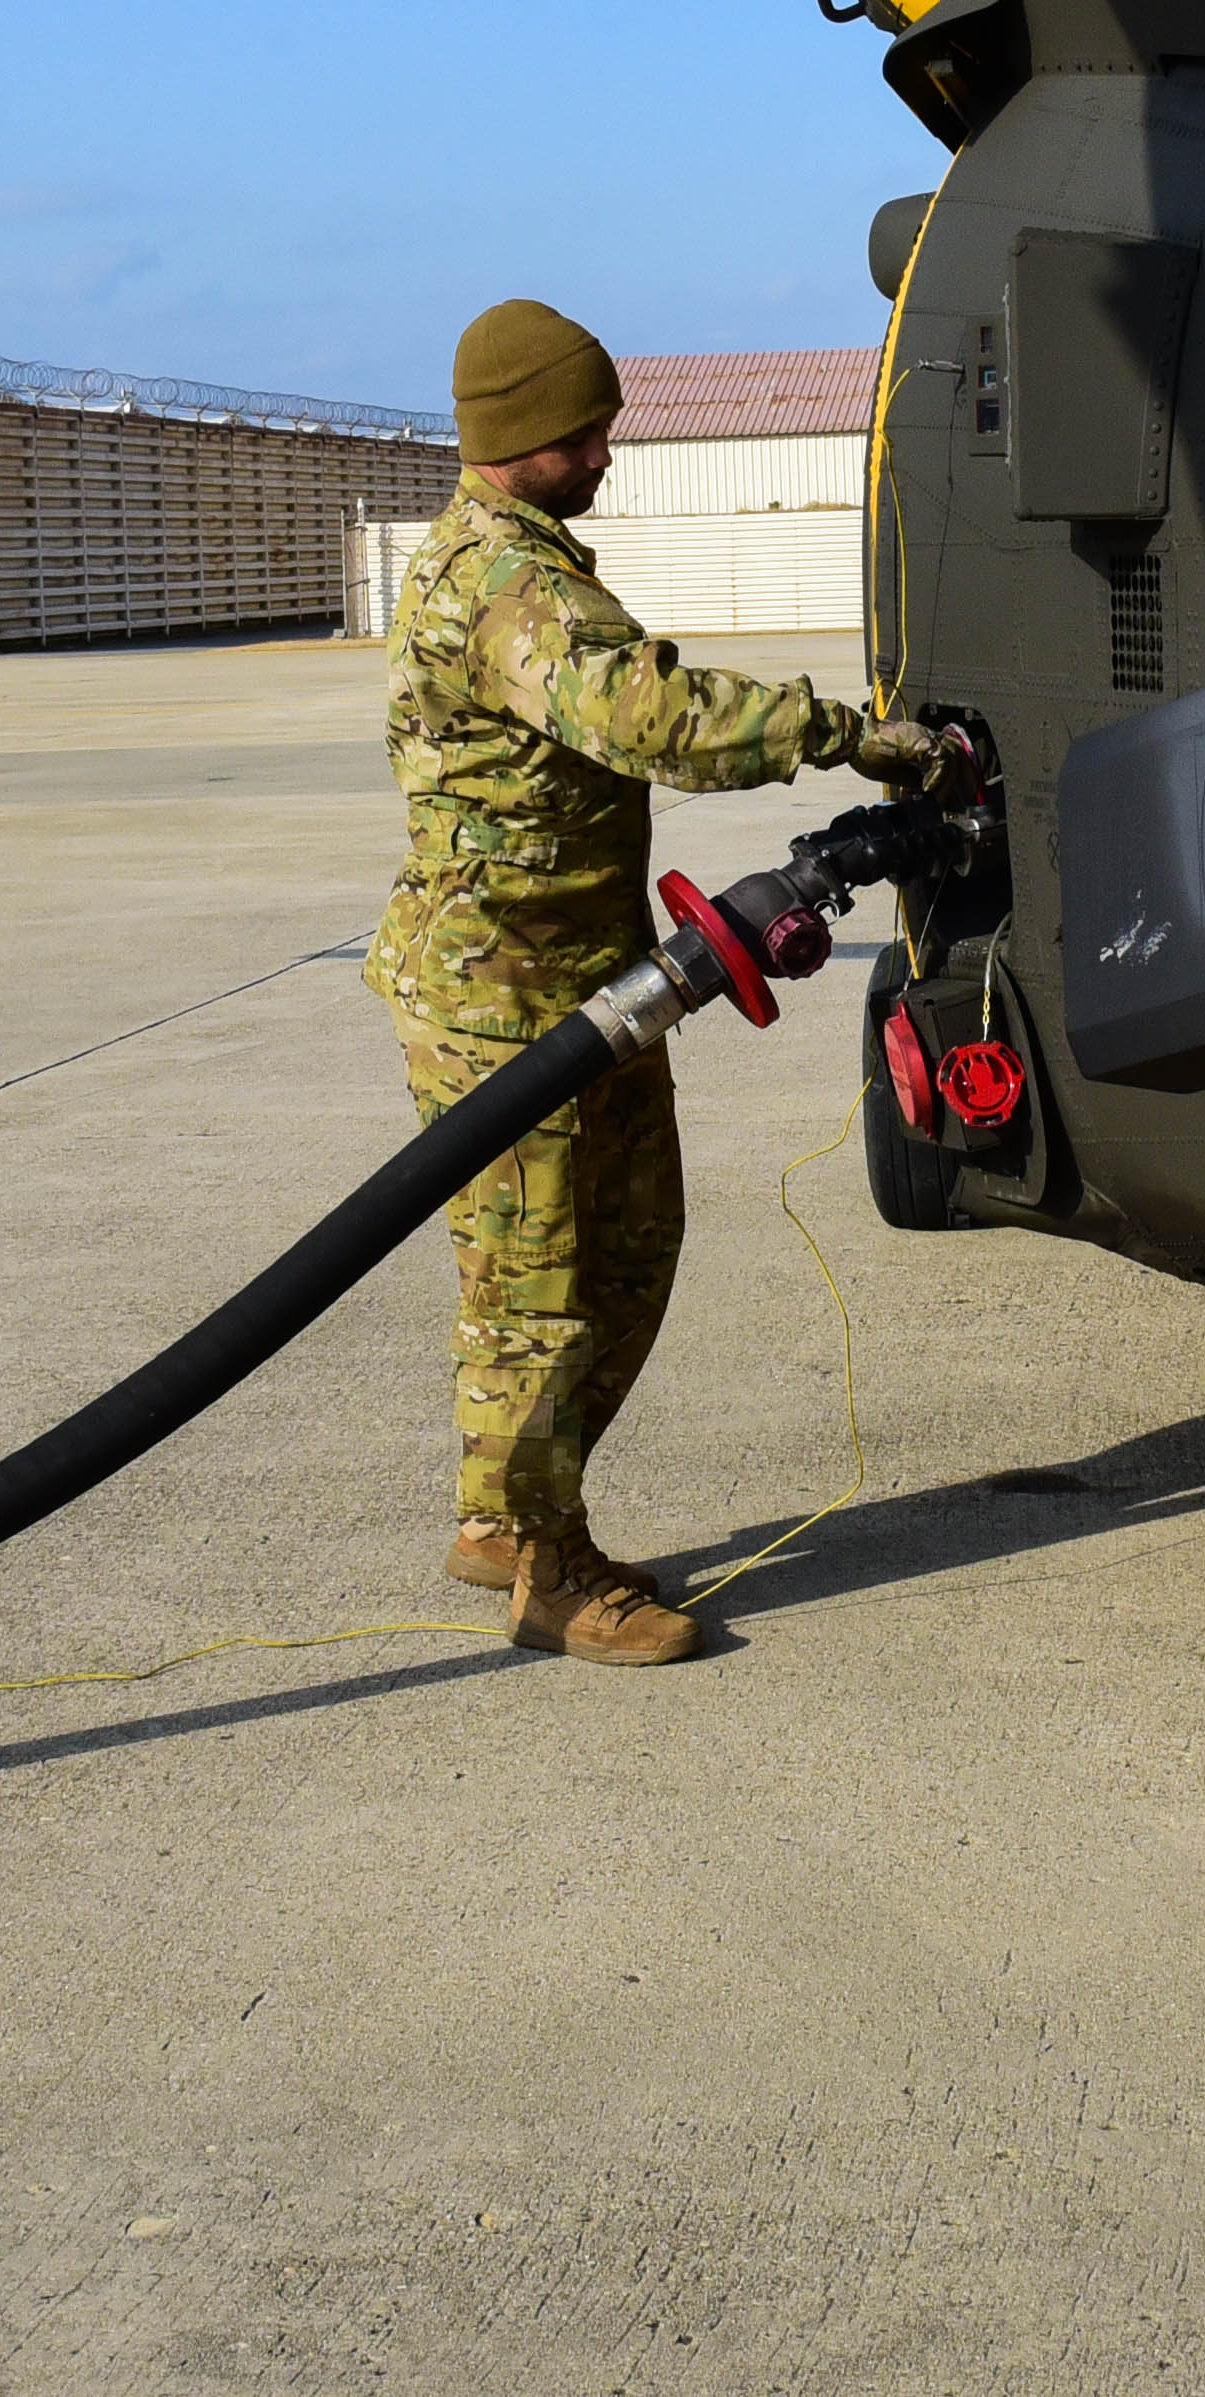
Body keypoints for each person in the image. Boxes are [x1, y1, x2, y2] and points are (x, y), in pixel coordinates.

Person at [367, 297, 934, 1662]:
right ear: (529, 436)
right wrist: (842, 733)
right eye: (591, 428)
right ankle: (550, 1573)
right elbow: (652, 718)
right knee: (543, 1290)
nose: (611, 447)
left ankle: (506, 1513)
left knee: (627, 1247)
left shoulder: (520, 558)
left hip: (577, 983)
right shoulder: (506, 585)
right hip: (499, 1004)